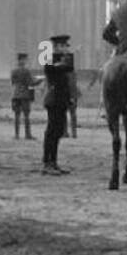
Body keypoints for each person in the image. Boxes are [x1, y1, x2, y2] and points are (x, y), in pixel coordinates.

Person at [42, 34, 75, 174]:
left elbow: (69, 68)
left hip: (61, 100)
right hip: (53, 99)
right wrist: (61, 63)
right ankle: (47, 162)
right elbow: (50, 70)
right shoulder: (48, 57)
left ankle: (54, 162)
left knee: (58, 132)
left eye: (66, 46)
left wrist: (66, 59)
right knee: (51, 131)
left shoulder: (64, 59)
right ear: (56, 46)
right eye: (62, 46)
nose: (65, 49)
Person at [10, 52, 39, 140]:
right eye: (26, 59)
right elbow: (30, 83)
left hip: (15, 94)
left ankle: (17, 135)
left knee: (17, 116)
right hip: (25, 95)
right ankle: (27, 134)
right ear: (23, 60)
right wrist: (39, 81)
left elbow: (13, 82)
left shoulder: (13, 71)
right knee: (26, 116)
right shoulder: (26, 71)